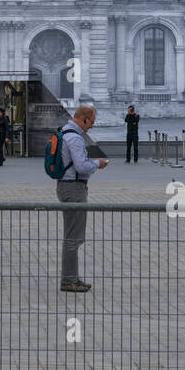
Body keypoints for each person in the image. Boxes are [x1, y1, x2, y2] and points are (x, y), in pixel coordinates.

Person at [56, 105, 106, 293]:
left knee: (73, 236)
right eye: (91, 122)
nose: (92, 126)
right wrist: (98, 163)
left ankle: (72, 278)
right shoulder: (75, 138)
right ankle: (69, 280)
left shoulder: (65, 132)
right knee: (73, 237)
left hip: (67, 186)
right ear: (84, 118)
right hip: (74, 188)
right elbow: (81, 166)